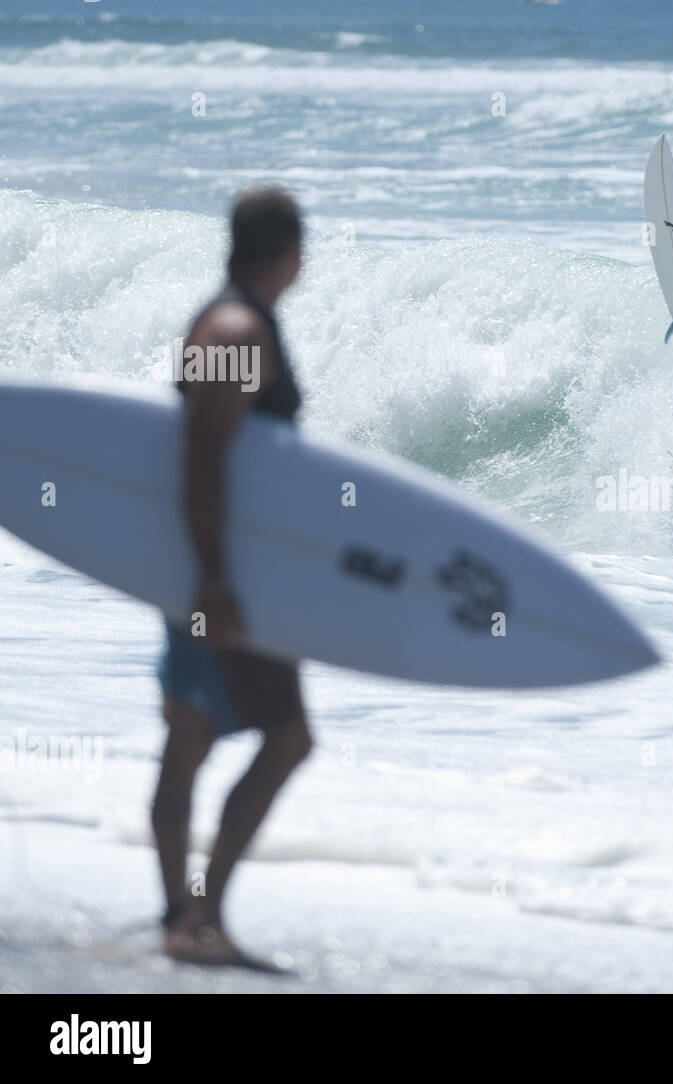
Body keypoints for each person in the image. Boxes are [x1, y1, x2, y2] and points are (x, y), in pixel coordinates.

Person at [151, 186, 311, 968]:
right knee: (283, 738)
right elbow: (201, 457)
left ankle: (186, 920)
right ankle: (198, 919)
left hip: (211, 564)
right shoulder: (237, 328)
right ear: (292, 251)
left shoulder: (233, 319)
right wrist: (216, 583)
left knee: (189, 733)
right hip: (220, 572)